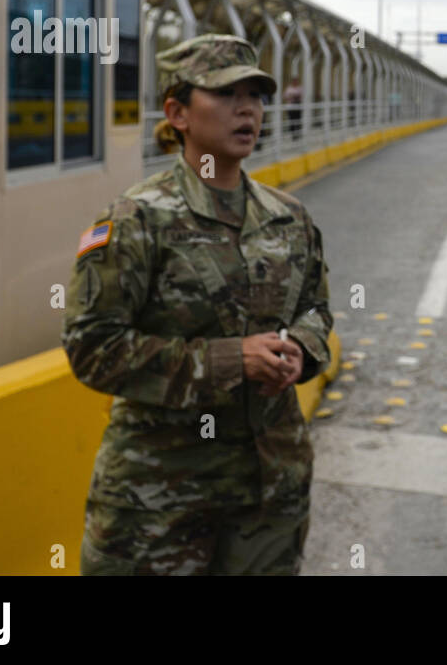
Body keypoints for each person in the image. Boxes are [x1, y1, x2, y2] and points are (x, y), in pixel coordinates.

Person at [61, 33, 332, 576]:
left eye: (255, 95)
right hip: (159, 504)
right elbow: (92, 348)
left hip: (267, 491)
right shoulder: (136, 219)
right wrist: (234, 360)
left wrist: (301, 348)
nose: (247, 109)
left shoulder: (289, 216)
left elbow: (316, 309)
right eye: (227, 94)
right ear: (177, 113)